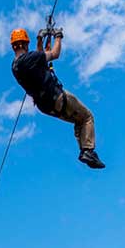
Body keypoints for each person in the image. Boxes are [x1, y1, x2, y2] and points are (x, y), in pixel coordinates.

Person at [10, 26, 104, 169]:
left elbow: (40, 60)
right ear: (25, 44)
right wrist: (58, 36)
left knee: (78, 120)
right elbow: (55, 54)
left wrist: (40, 41)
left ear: (14, 46)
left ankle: (85, 151)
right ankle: (88, 151)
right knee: (87, 116)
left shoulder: (15, 67)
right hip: (56, 96)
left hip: (45, 106)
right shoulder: (30, 58)